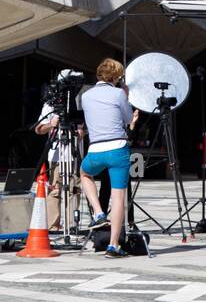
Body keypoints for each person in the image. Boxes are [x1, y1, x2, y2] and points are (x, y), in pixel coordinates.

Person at [78, 58, 139, 258]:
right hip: (118, 148)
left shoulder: (85, 96)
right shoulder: (119, 94)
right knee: (119, 197)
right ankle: (114, 245)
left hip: (95, 149)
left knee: (84, 173)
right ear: (116, 77)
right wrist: (126, 97)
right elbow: (128, 120)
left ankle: (98, 212)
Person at [34, 100, 83, 232]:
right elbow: (38, 129)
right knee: (55, 190)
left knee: (74, 190)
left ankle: (72, 225)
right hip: (56, 155)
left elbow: (89, 126)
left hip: (74, 154)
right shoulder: (50, 104)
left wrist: (82, 132)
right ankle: (52, 226)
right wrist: (51, 124)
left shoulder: (78, 102)